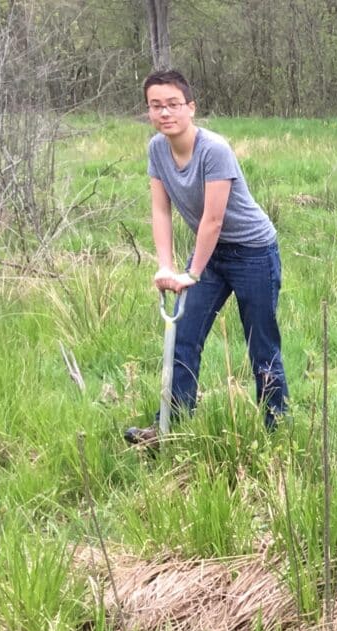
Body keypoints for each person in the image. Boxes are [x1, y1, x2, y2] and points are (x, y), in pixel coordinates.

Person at [126, 68, 287, 444]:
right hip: (209, 256)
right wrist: (165, 265)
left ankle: (275, 430)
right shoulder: (156, 150)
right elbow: (160, 211)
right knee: (184, 335)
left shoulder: (213, 149)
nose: (165, 113)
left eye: (173, 104)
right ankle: (172, 428)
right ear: (149, 111)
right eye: (156, 106)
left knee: (261, 344)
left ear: (190, 107)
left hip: (252, 252)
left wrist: (191, 273)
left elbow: (213, 220)